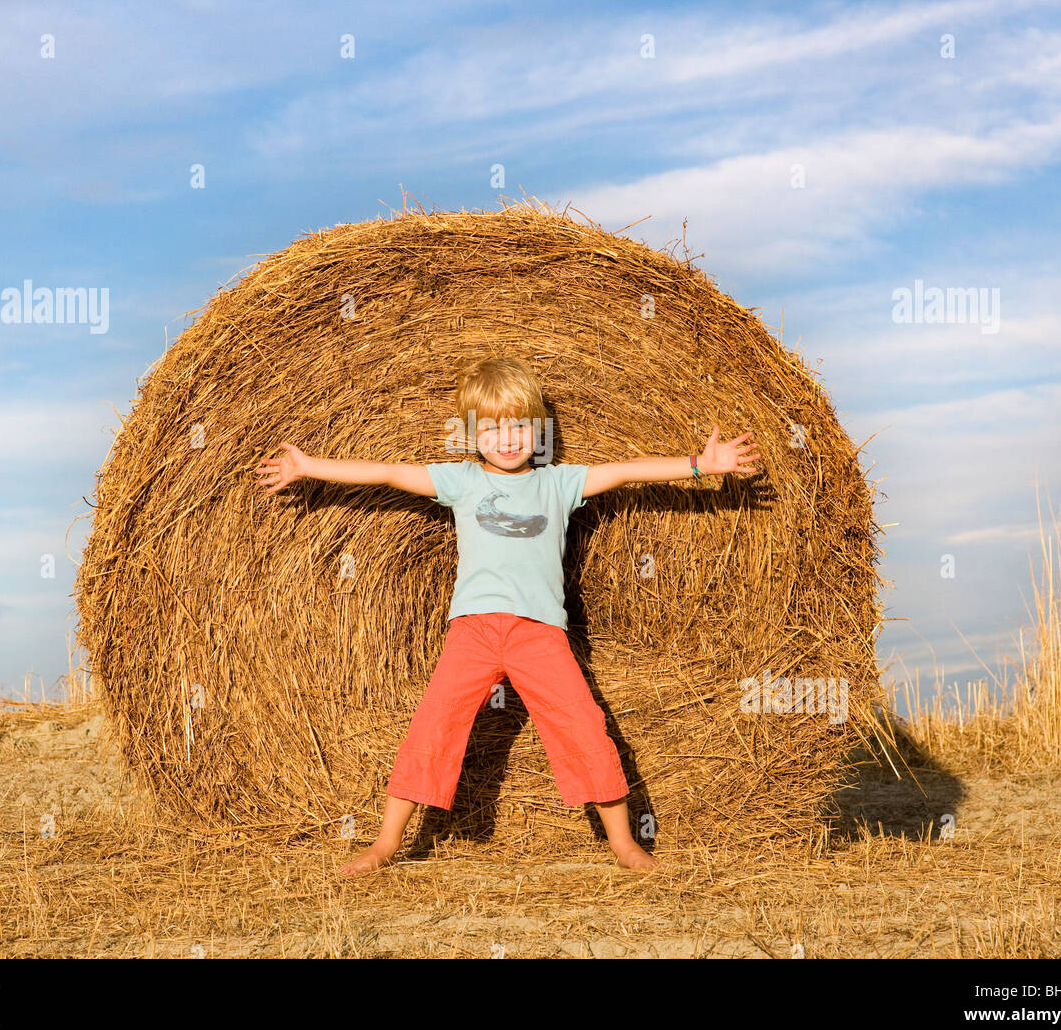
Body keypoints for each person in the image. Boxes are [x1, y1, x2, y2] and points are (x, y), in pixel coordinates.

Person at [254, 355, 760, 874]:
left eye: (518, 425)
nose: (507, 438)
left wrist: (701, 465)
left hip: (539, 633)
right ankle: (384, 845)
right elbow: (387, 474)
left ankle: (626, 845)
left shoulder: (557, 484)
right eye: (491, 428)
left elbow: (627, 472)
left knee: (584, 726)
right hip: (472, 631)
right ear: (472, 434)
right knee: (433, 726)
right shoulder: (463, 481)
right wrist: (308, 466)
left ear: (537, 429)